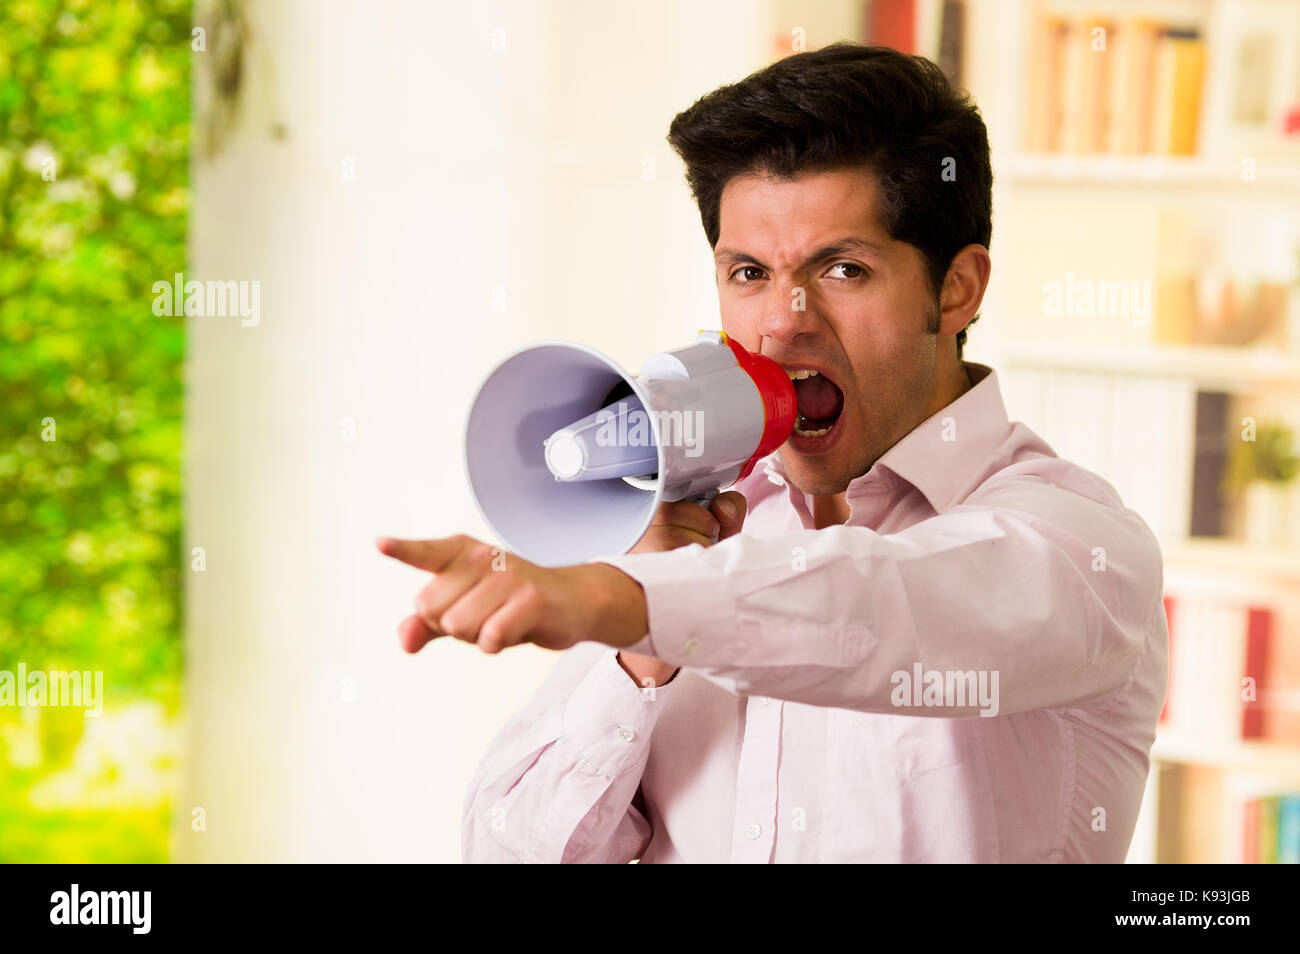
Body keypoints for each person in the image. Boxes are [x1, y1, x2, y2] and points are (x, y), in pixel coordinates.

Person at [377, 42, 1168, 863]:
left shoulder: (1079, 545)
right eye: (749, 271)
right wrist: (638, 655)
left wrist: (640, 602)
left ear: (957, 289)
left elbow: (885, 605)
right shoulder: (686, 548)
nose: (784, 321)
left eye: (843, 269)